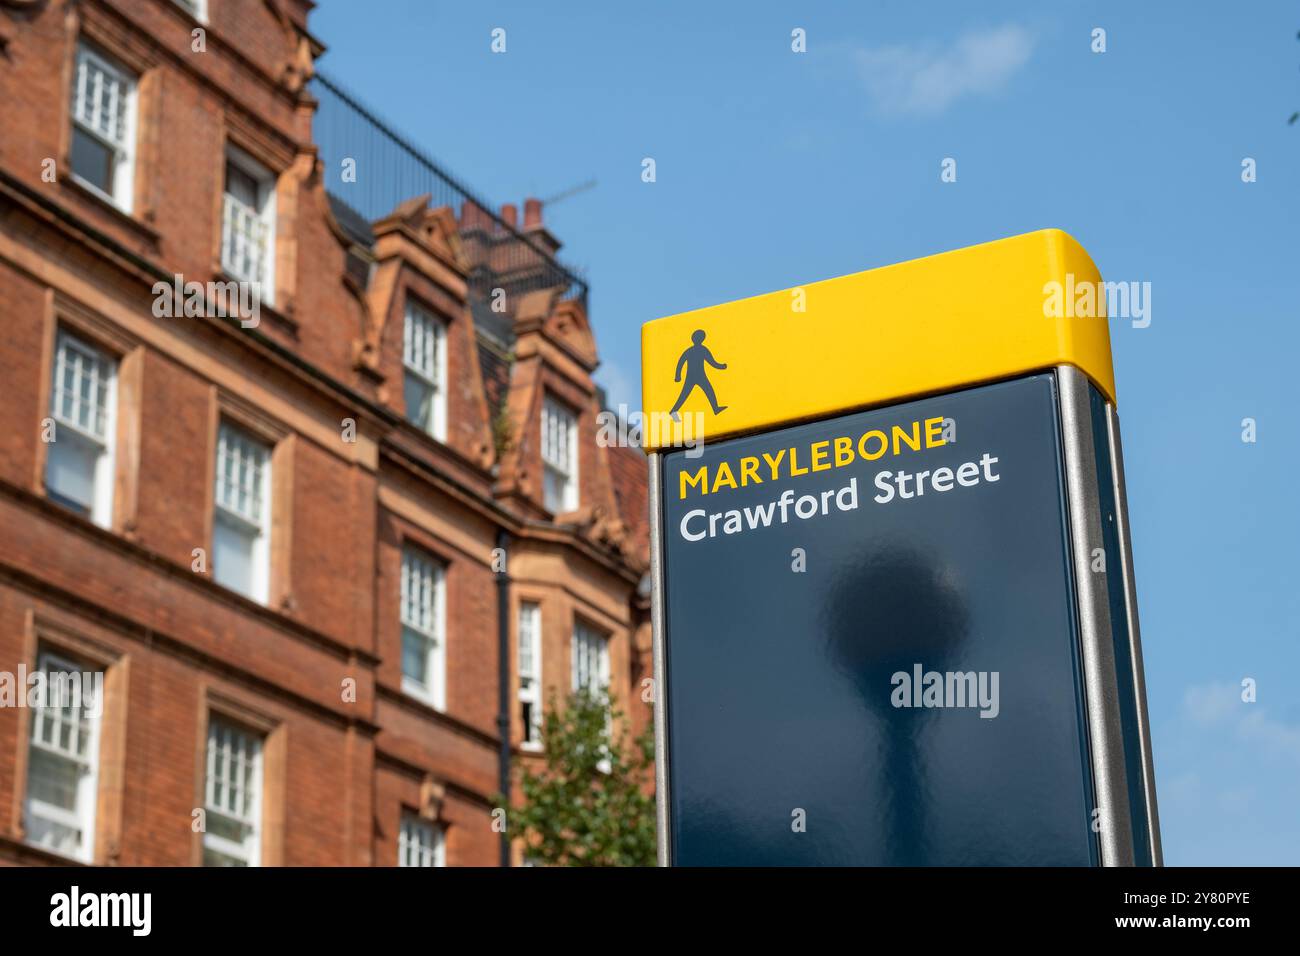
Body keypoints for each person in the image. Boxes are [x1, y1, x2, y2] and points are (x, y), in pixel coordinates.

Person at [669, 329, 727, 420]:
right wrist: (677, 376)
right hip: (692, 376)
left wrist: (721, 366)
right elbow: (681, 362)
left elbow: (711, 361)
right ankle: (673, 411)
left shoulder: (701, 350)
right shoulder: (693, 350)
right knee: (684, 395)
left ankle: (715, 408)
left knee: (709, 391)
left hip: (700, 375)